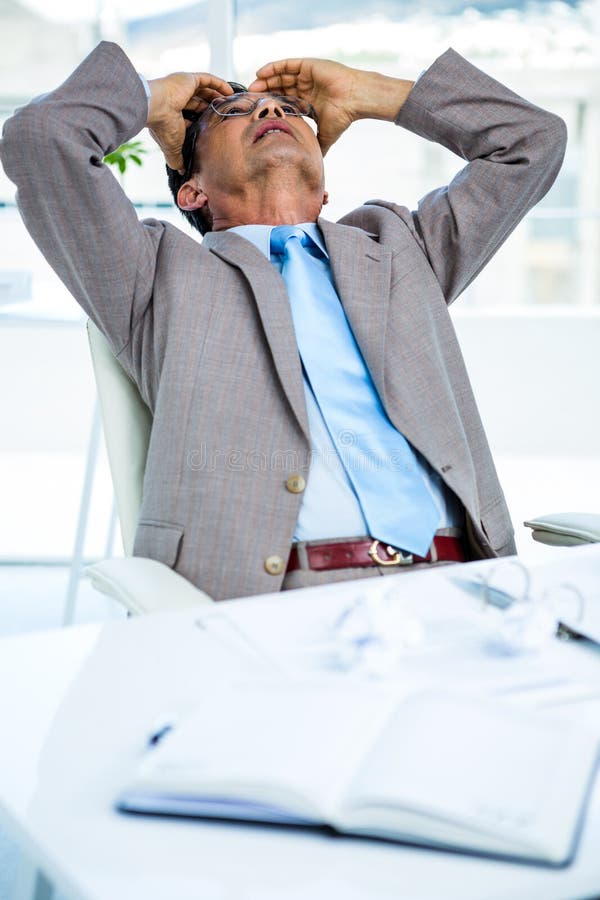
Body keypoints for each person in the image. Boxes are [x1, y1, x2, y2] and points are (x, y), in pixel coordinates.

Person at [0, 41, 566, 601]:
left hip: (465, 586)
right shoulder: (152, 274)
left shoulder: (400, 249)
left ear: (325, 188)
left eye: (291, 112)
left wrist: (370, 93)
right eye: (233, 113)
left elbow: (531, 142)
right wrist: (152, 99)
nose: (271, 110)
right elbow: (41, 140)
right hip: (277, 605)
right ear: (191, 191)